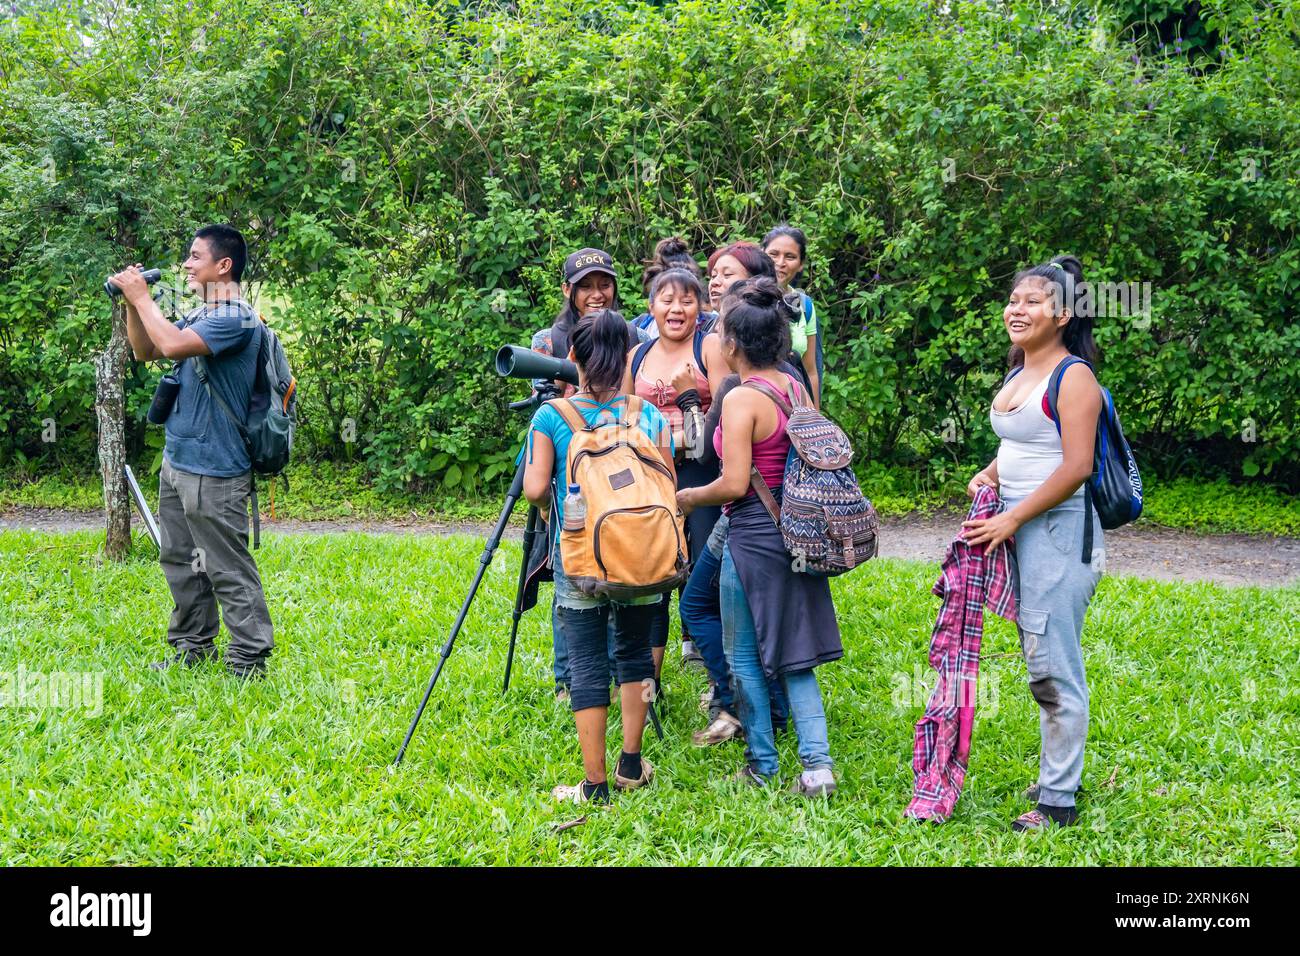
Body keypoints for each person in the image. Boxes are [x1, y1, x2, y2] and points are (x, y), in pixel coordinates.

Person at [677, 277, 842, 795]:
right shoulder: (794, 385)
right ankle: (818, 768)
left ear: (731, 344)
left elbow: (731, 481)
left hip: (750, 538)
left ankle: (762, 764)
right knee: (797, 657)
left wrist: (688, 499)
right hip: (796, 532)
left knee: (744, 655)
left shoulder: (741, 399)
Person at [961, 254, 1104, 832]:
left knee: (1053, 664)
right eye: (1013, 300)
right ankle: (1056, 773)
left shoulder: (1075, 378)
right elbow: (1027, 442)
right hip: (1022, 524)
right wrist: (992, 476)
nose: (1016, 310)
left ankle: (1057, 803)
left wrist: (1011, 518)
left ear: (1064, 314)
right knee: (1037, 656)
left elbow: (1075, 466)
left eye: (1032, 301)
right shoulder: (1021, 371)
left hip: (1059, 532)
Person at [523, 310, 675, 803]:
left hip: (582, 558)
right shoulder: (647, 414)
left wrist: (554, 512)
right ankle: (631, 763)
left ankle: (594, 785)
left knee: (587, 661)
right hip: (643, 555)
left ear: (573, 357)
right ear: (627, 356)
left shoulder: (552, 416)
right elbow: (668, 483)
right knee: (634, 654)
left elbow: (533, 488)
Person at [109, 225, 273, 679]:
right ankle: (192, 646)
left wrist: (142, 295)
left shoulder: (237, 319)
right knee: (181, 561)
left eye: (195, 256)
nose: (185, 264)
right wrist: (131, 303)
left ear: (224, 266)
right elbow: (147, 349)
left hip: (217, 469)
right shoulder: (203, 315)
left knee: (226, 565)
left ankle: (249, 658)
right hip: (179, 460)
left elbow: (173, 344)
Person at [529, 247, 647, 698]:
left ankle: (613, 678)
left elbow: (636, 402)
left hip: (621, 476)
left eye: (604, 284)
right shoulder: (550, 338)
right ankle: (570, 681)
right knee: (571, 585)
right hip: (567, 471)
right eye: (586, 286)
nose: (597, 294)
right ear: (568, 291)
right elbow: (540, 405)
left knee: (610, 575)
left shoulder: (632, 332)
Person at [621, 268, 727, 681]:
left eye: (687, 300)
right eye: (666, 300)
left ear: (700, 308)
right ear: (651, 309)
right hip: (651, 474)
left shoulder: (710, 346)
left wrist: (678, 435)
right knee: (654, 563)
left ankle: (707, 656)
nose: (676, 308)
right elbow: (628, 416)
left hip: (701, 472)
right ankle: (648, 670)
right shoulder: (638, 355)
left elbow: (724, 411)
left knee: (703, 562)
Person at [763, 224, 823, 407]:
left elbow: (810, 371)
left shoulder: (804, 305)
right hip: (756, 402)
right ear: (762, 253)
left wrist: (816, 420)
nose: (780, 262)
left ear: (800, 265)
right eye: (774, 254)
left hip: (796, 406)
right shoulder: (746, 300)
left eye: (790, 257)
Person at [632, 237, 716, 338]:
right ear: (652, 305)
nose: (676, 309)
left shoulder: (715, 330)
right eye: (668, 300)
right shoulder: (637, 331)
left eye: (686, 302)